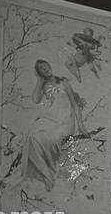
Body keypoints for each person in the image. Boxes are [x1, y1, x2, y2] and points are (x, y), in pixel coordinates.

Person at [20, 59, 86, 193]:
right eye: (41, 69)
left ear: (50, 66)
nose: (45, 69)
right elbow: (35, 99)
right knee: (32, 137)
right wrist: (39, 82)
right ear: (40, 73)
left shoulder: (63, 82)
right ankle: (46, 174)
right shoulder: (43, 86)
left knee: (52, 140)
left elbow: (74, 104)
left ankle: (50, 173)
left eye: (46, 66)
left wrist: (81, 125)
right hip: (50, 119)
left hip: (65, 120)